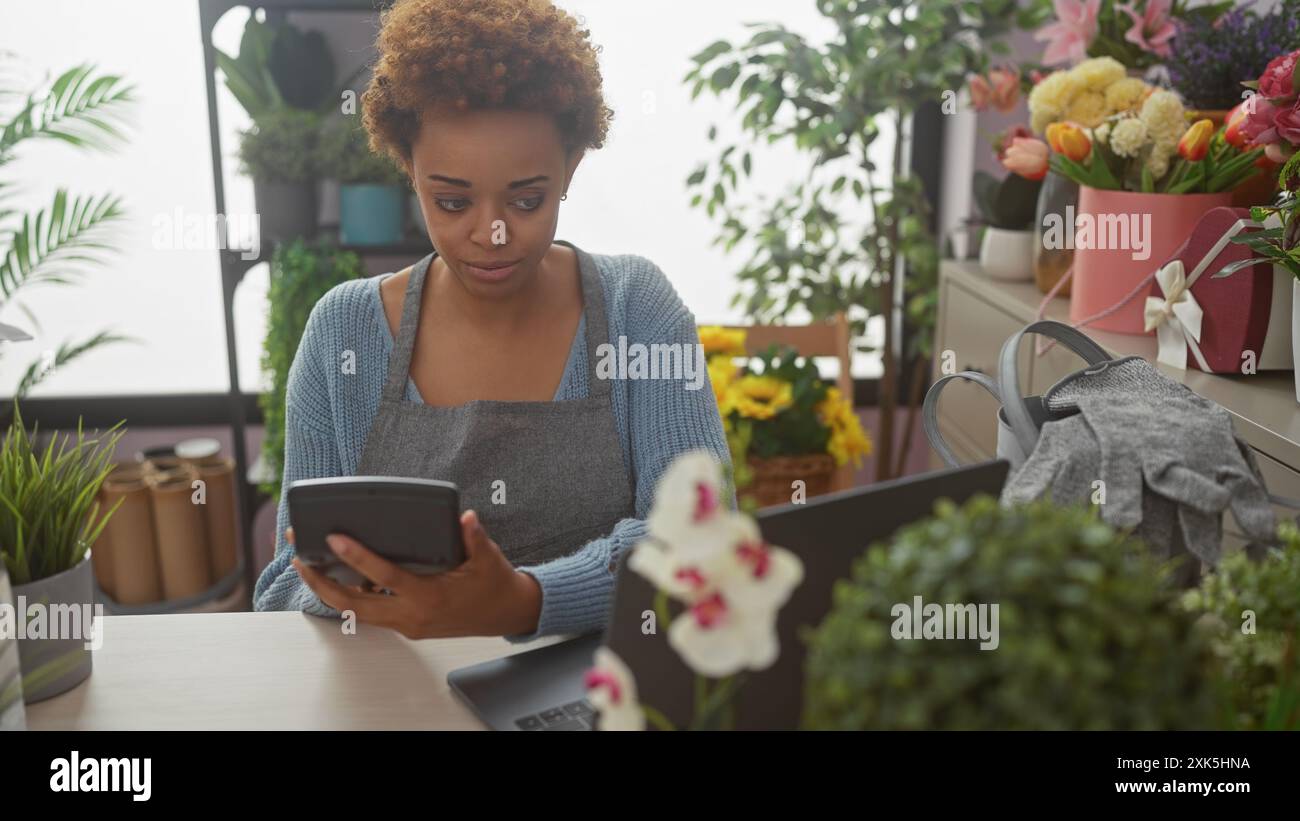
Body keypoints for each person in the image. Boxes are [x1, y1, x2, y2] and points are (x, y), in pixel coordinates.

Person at [253, 0, 732, 642]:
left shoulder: (634, 310)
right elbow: (286, 583)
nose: (492, 232)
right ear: (408, 170)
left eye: (527, 199)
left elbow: (701, 535)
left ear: (571, 168)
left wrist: (524, 601)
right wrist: (393, 594)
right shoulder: (343, 333)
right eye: (451, 201)